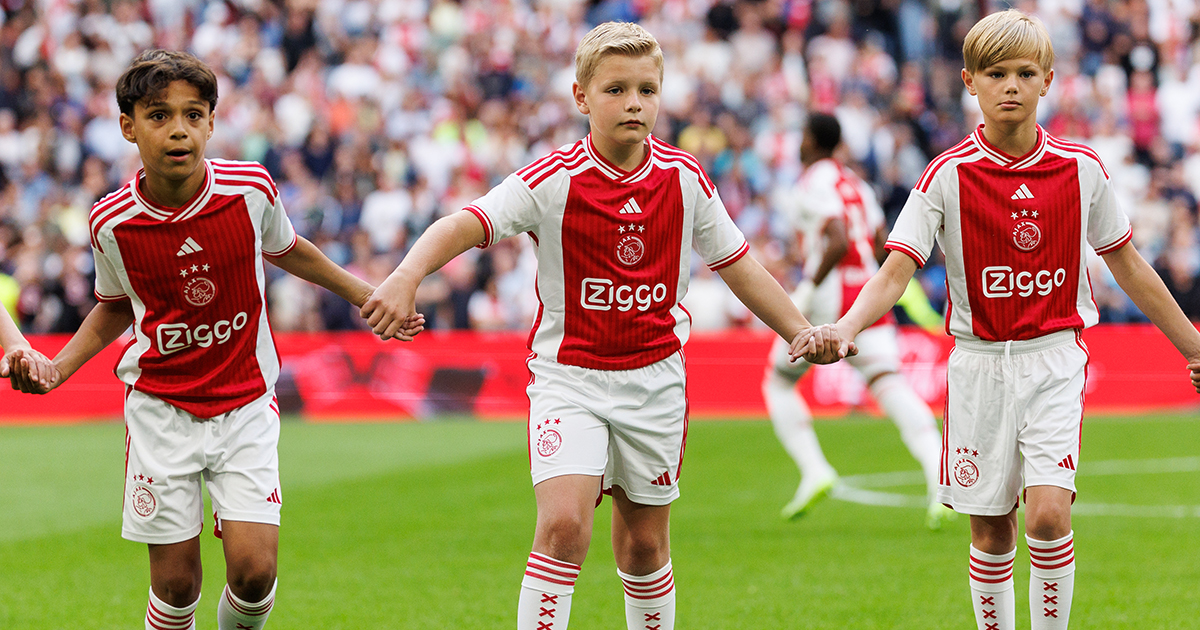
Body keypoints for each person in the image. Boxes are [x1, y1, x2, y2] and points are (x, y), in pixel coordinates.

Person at [360, 22, 843, 630]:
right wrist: (406, 275)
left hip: (655, 383)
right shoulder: (551, 179)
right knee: (564, 526)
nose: (634, 102)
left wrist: (798, 330)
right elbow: (463, 223)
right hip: (570, 379)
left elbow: (739, 265)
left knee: (644, 546)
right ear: (581, 97)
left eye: (647, 89)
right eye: (616, 89)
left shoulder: (685, 178)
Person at [821, 10, 1200, 630]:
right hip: (977, 366)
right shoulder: (946, 174)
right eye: (996, 74)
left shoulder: (1081, 168)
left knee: (1047, 516)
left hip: (1053, 358)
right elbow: (895, 271)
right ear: (970, 81)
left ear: (1048, 80)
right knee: (992, 531)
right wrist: (846, 326)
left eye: (1025, 73)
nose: (1011, 86)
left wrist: (1194, 347)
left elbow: (1129, 265)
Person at [10, 50, 402, 630]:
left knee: (254, 574)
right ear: (128, 127)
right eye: (159, 115)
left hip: (245, 402)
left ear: (211, 123)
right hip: (161, 410)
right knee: (175, 586)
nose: (179, 130)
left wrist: (369, 296)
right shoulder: (111, 222)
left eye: (193, 115)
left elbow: (289, 249)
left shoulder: (250, 189)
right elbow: (115, 304)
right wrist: (57, 368)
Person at [763, 112, 955, 529]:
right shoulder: (858, 184)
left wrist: (806, 290)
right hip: (866, 299)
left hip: (827, 301)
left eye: (802, 137)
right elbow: (881, 241)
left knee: (778, 381)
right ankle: (938, 477)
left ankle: (815, 470)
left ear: (812, 141)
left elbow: (836, 239)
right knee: (889, 383)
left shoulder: (812, 182)